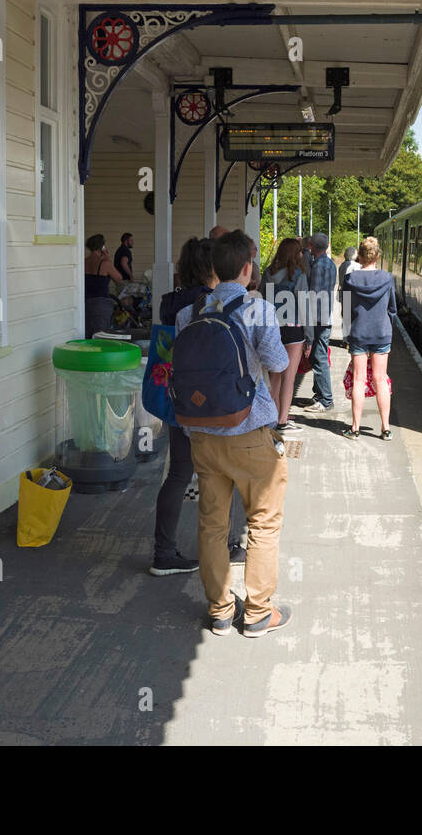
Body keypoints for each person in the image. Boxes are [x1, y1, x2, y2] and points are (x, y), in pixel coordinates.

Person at [176, 230, 292, 638]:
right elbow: (278, 364)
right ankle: (258, 612)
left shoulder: (188, 313)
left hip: (202, 437)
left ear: (213, 268)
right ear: (247, 268)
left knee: (211, 522)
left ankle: (220, 610)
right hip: (247, 432)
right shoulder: (258, 309)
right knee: (262, 520)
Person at [151, 237, 246, 575]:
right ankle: (229, 544)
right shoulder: (209, 304)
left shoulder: (169, 304)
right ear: (212, 270)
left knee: (178, 474)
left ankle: (164, 552)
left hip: (178, 400)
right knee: (222, 475)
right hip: (212, 405)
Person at [341, 236, 396, 440]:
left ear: (360, 257)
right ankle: (386, 428)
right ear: (377, 256)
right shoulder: (387, 278)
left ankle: (355, 428)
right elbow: (392, 309)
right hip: (382, 333)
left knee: (358, 380)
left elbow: (345, 310)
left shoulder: (350, 280)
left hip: (358, 333)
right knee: (381, 379)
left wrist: (347, 333)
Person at [261, 238, 311, 433]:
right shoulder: (298, 275)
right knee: (288, 379)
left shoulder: (268, 274)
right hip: (293, 330)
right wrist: (310, 336)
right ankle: (283, 421)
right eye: (299, 252)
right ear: (295, 254)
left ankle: (271, 419)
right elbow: (305, 308)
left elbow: (262, 301)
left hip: (272, 329)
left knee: (274, 376)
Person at [301, 233, 337, 415]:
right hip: (325, 316)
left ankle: (325, 399)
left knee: (319, 356)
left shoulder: (318, 265)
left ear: (312, 246)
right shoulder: (330, 263)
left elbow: (313, 294)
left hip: (318, 318)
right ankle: (320, 394)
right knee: (319, 354)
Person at [84, 234, 123, 334]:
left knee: (87, 334)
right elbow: (119, 279)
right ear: (102, 247)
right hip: (101, 304)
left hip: (85, 303)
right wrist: (108, 259)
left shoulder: (83, 262)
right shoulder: (105, 263)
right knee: (101, 336)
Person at [337, 246, 360, 329]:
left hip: (343, 292)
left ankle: (345, 338)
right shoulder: (355, 265)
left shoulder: (342, 265)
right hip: (352, 294)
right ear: (353, 255)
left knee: (345, 315)